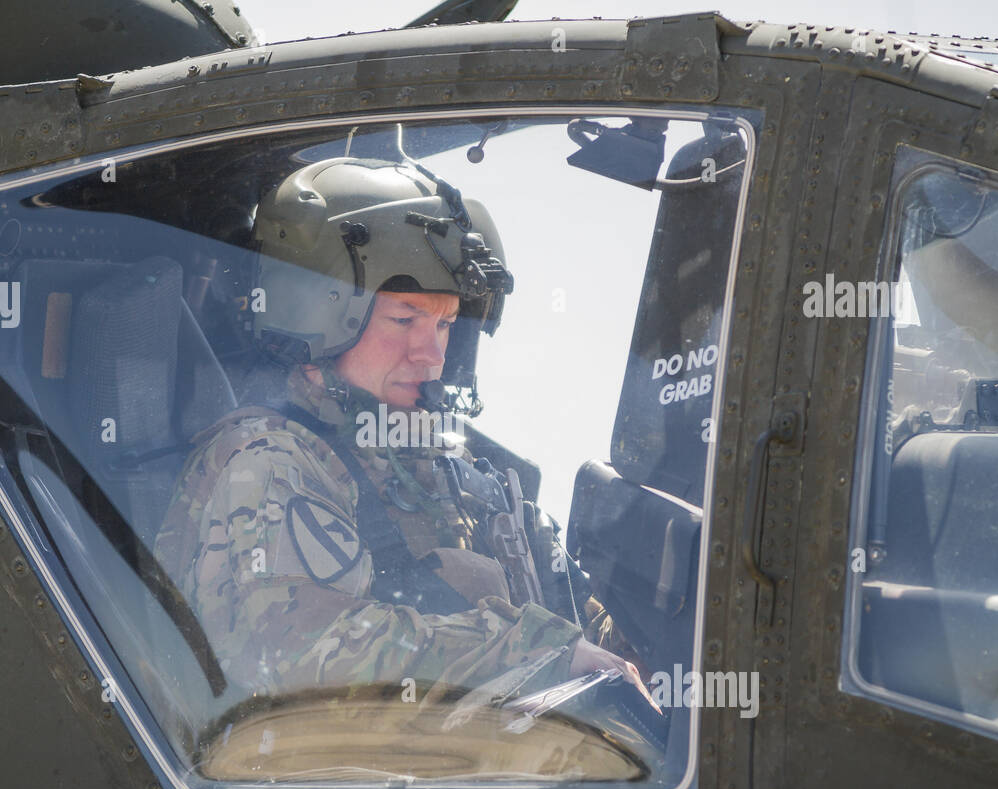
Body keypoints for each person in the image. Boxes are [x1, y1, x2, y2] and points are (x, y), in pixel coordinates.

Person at [155, 153, 654, 715]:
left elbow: (572, 619)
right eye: (405, 319)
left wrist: (640, 636)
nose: (432, 354)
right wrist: (530, 645)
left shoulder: (456, 474)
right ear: (319, 312)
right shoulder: (268, 462)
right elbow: (297, 652)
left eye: (445, 324)